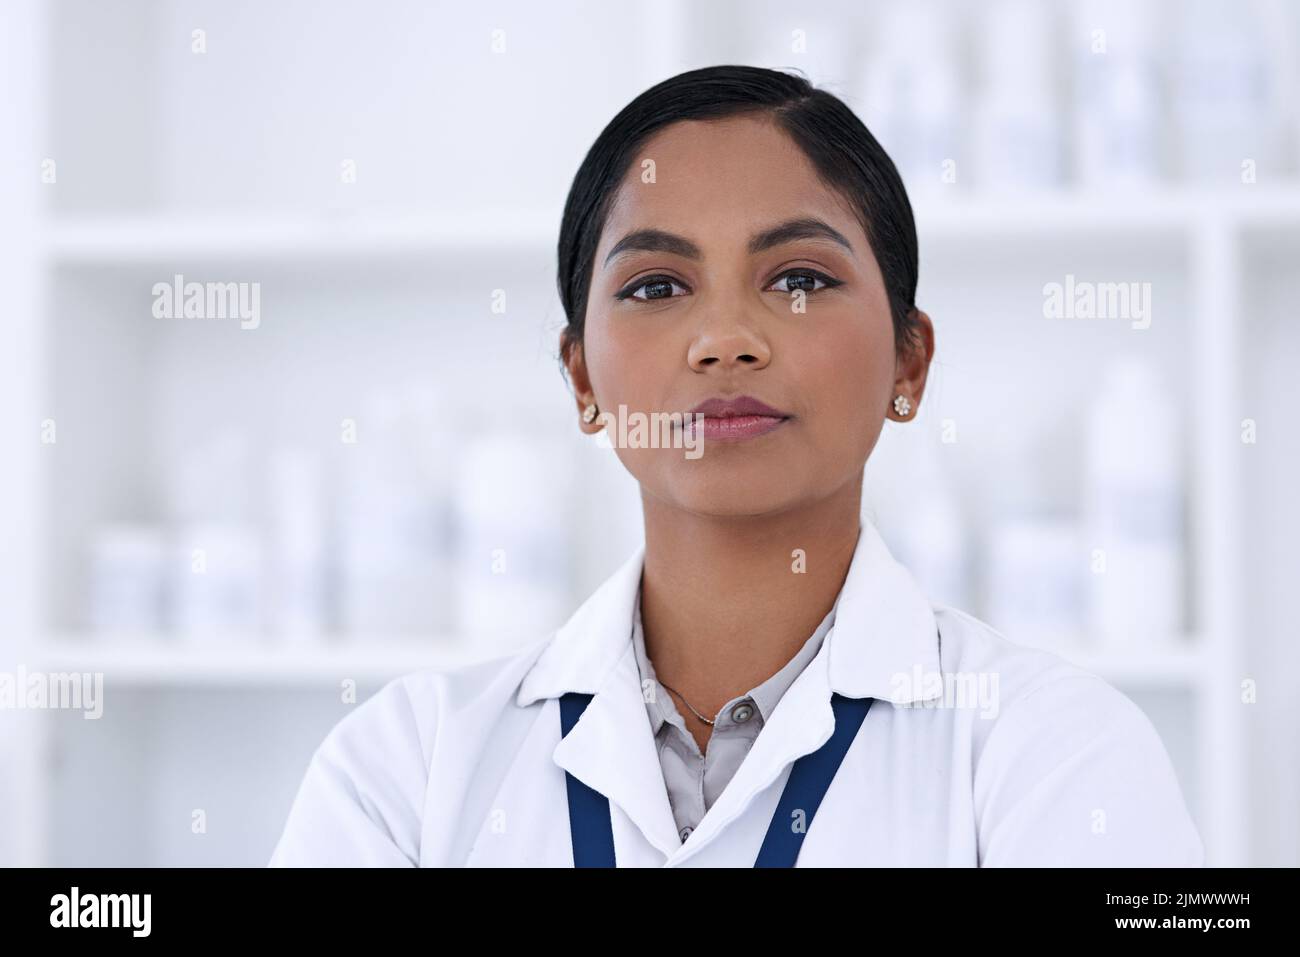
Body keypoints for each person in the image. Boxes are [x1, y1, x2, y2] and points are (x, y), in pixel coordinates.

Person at [269, 65, 1204, 867]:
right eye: (656, 286)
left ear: (908, 362)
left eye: (798, 279)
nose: (725, 341)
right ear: (582, 376)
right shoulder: (407, 766)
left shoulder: (1058, 752)